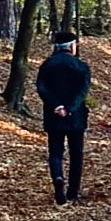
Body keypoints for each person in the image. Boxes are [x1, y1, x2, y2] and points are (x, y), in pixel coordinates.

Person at [38, 33, 92, 202]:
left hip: (53, 116)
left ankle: (58, 179)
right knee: (76, 154)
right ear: (71, 47)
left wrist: (56, 106)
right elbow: (82, 92)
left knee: (55, 151)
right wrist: (68, 108)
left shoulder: (46, 66)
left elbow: (42, 88)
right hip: (75, 117)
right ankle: (73, 192)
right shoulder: (81, 67)